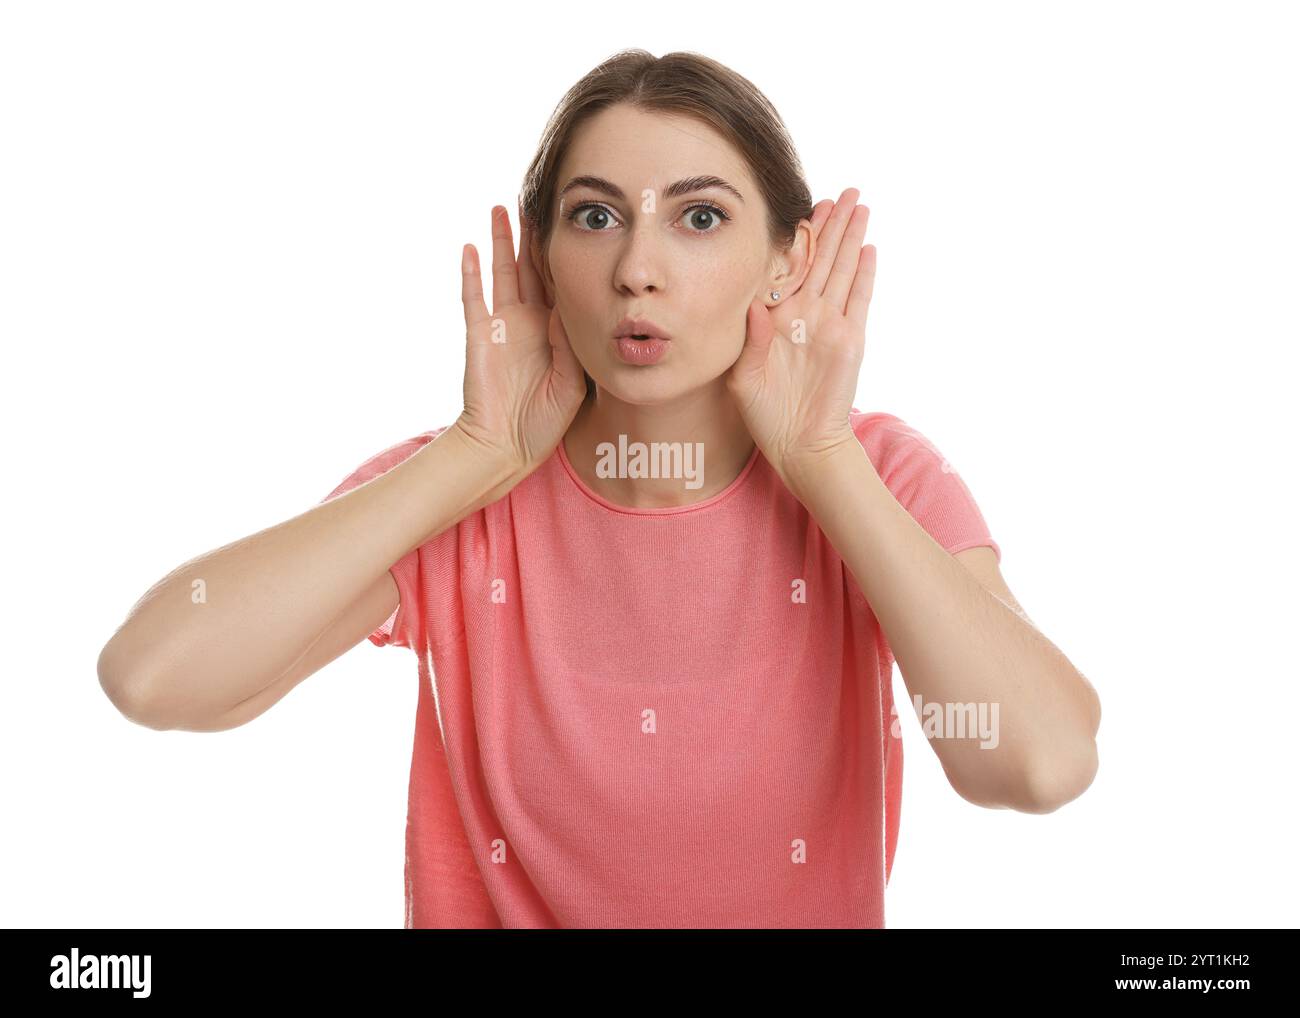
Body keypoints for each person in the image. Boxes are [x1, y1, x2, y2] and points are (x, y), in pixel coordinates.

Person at [97, 48, 1101, 928]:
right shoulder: (459, 487)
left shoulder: (875, 474)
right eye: (595, 217)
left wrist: (823, 463)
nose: (636, 269)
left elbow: (1038, 761)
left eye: (699, 216)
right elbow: (153, 676)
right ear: (542, 254)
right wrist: (472, 453)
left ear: (785, 262)